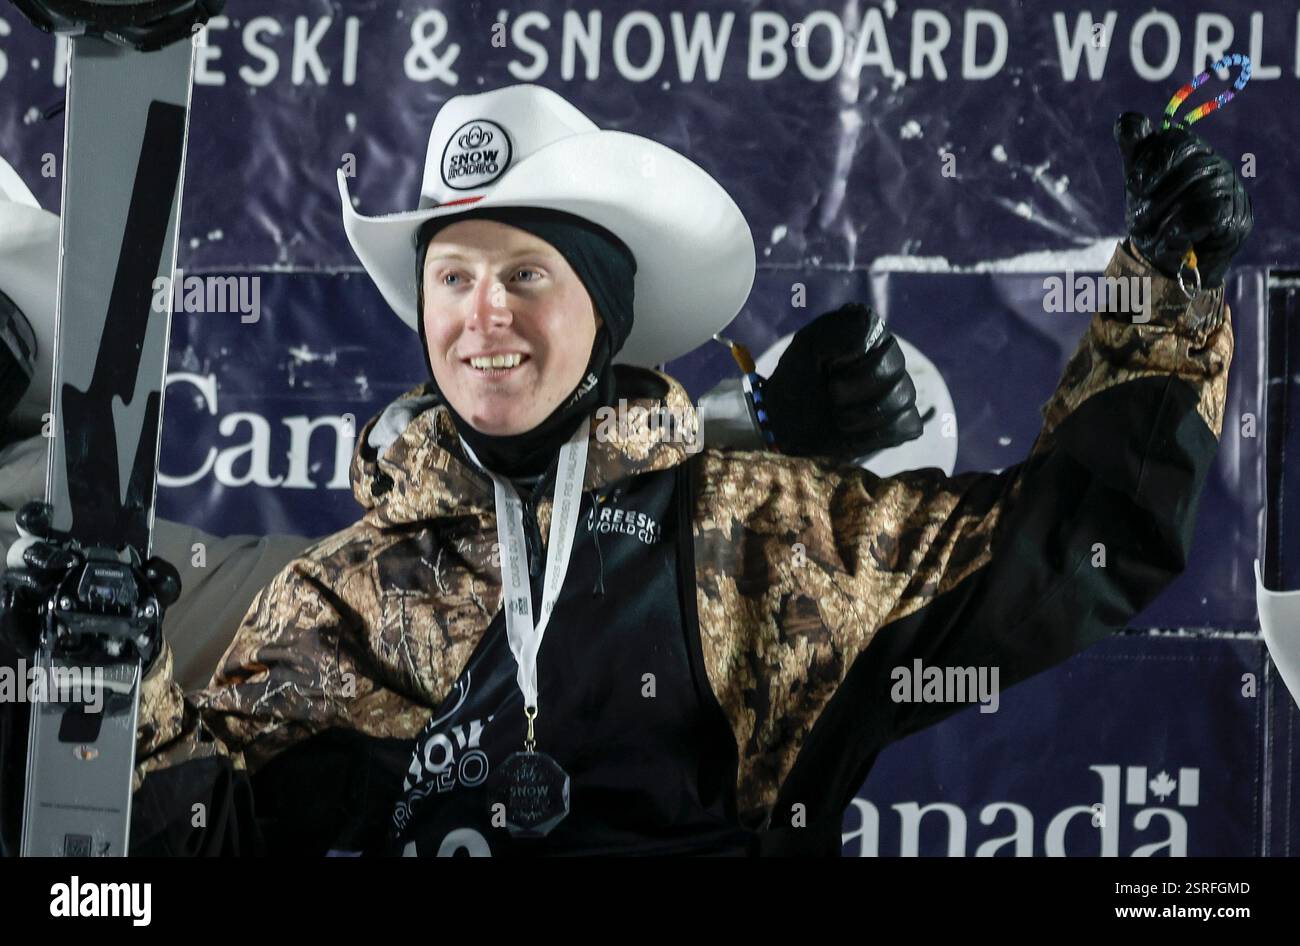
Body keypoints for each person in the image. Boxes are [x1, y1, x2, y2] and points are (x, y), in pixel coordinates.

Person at [2, 84, 1251, 856]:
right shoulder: (337, 595)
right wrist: (118, 695)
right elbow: (156, 881)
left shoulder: (768, 537)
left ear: (603, 310)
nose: (483, 316)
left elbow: (1078, 548)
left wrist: (1169, 291)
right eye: (453, 276)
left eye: (527, 274)